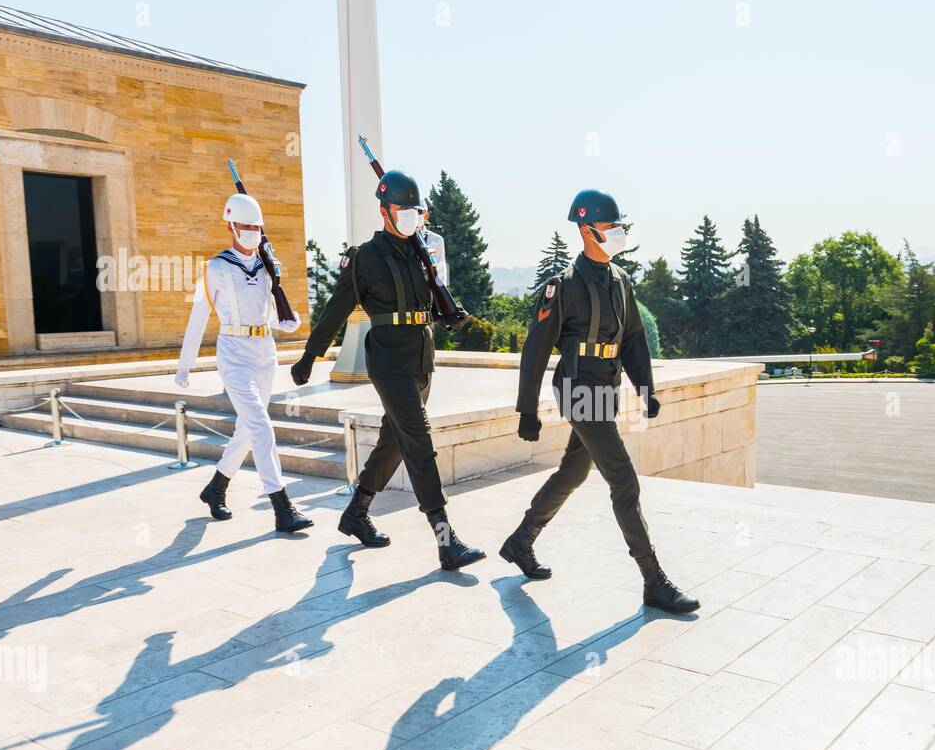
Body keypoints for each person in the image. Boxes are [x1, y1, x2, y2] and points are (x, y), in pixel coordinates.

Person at [502, 189, 699, 615]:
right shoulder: (564, 286)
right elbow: (535, 351)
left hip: (604, 387)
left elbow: (632, 339)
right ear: (586, 230)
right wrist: (527, 411)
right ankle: (653, 580)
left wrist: (646, 388)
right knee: (623, 480)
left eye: (618, 226)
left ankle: (521, 541)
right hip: (577, 388)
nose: (618, 233)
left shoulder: (620, 280)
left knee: (573, 471)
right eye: (611, 227)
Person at [291, 169, 484, 570]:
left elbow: (432, 297)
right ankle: (446, 539)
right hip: (388, 359)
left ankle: (356, 512)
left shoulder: (421, 253)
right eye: (403, 209)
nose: (411, 215)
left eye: (415, 209)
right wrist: (311, 356)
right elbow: (335, 310)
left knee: (394, 440)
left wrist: (448, 314)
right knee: (418, 439)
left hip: (421, 355)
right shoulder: (365, 258)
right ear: (384, 212)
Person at [175, 193, 312, 534]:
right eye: (245, 225)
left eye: (256, 226)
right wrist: (185, 363)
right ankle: (281, 506)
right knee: (262, 426)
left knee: (249, 429)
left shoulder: (267, 267)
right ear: (231, 227)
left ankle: (216, 486)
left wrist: (288, 321)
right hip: (234, 354)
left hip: (265, 352)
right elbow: (198, 316)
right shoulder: (216, 268)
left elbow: (269, 312)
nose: (251, 231)